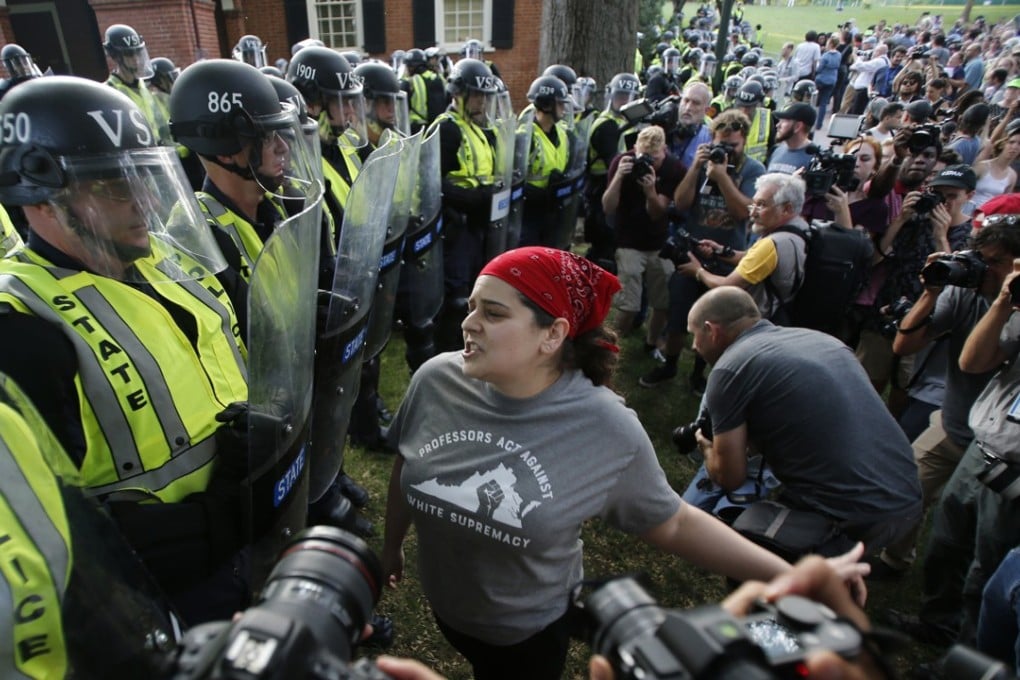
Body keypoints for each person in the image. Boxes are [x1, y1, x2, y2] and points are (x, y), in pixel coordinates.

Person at [381, 247, 857, 680]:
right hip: (444, 606)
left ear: (552, 335)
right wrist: (392, 545)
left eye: (493, 312)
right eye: (471, 308)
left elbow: (673, 523)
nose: (469, 323)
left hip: (524, 633)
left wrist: (787, 575)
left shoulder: (605, 426)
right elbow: (408, 464)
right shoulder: (436, 379)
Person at [0, 75, 250, 625]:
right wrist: (219, 516)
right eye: (114, 184)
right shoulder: (21, 328)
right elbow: (58, 531)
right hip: (159, 592)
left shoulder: (168, 259)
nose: (144, 201)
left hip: (247, 536)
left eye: (144, 176)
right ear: (39, 195)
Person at [687, 287, 922, 558]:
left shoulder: (731, 367)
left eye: (694, 335)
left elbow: (730, 477)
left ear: (711, 330)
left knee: (758, 560)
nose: (693, 346)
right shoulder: (821, 340)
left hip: (858, 511)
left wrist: (707, 448)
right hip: (906, 493)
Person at [873, 216, 1020, 579]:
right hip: (954, 423)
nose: (983, 268)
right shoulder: (965, 291)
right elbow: (904, 343)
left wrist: (1004, 301)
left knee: (977, 532)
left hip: (1004, 447)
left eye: (996, 261)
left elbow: (974, 362)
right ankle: (894, 561)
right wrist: (931, 291)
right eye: (980, 257)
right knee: (904, 488)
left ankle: (965, 609)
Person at [890, 257, 1020, 648]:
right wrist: (1003, 302)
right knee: (947, 541)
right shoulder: (1005, 304)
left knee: (989, 563)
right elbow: (972, 360)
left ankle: (968, 658)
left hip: (1013, 458)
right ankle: (939, 622)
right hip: (987, 440)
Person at [642, 109, 765, 390]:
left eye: (732, 145)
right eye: (721, 144)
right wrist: (697, 167)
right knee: (679, 313)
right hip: (692, 251)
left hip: (727, 256)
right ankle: (670, 365)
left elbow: (743, 213)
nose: (727, 151)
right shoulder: (703, 163)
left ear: (744, 141)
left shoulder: (752, 170)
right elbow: (681, 204)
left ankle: (699, 374)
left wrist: (722, 177)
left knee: (716, 321)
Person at [427, 58, 500, 352]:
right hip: (457, 225)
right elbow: (432, 182)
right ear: (458, 94)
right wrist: (473, 197)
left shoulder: (479, 128)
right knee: (456, 297)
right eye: (476, 95)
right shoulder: (448, 128)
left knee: (475, 291)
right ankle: (448, 352)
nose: (481, 102)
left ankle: (471, 344)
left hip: (478, 223)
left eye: (485, 96)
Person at [675, 172, 807, 322]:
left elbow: (727, 287)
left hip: (756, 323)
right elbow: (755, 260)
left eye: (762, 205)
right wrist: (720, 251)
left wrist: (698, 271)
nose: (753, 212)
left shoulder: (772, 245)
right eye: (754, 203)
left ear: (787, 209)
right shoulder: (799, 228)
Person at [603, 126, 683, 352]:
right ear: (634, 148)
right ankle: (611, 348)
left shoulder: (672, 168)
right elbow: (608, 207)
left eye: (654, 158)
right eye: (644, 157)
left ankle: (651, 344)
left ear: (664, 150)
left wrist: (651, 191)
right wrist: (619, 176)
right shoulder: (623, 161)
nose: (648, 163)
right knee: (629, 305)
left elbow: (657, 212)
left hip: (658, 241)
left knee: (663, 302)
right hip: (628, 240)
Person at [584, 73, 640, 270]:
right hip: (600, 187)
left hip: (613, 184)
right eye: (620, 96)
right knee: (603, 242)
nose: (624, 102)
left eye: (629, 97)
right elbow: (613, 160)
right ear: (610, 96)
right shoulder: (606, 124)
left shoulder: (625, 123)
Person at [520, 75, 574, 247]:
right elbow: (514, 181)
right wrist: (540, 194)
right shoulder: (525, 136)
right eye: (560, 103)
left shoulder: (562, 133)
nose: (564, 108)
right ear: (546, 105)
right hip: (529, 214)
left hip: (554, 210)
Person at [103, 24, 170, 147]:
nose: (136, 59)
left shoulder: (147, 89)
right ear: (115, 56)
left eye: (138, 53)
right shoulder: (107, 93)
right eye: (129, 54)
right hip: (136, 159)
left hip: (163, 158)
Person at [766, 103, 817, 174]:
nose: (778, 125)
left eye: (783, 121)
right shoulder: (775, 150)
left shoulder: (814, 158)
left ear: (798, 126)